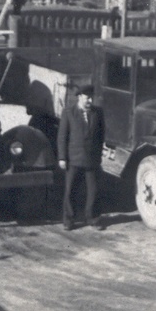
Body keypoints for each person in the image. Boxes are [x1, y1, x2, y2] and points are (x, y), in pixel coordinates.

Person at [58, 84, 105, 230]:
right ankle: (69, 220)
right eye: (86, 97)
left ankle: (93, 218)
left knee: (93, 190)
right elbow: (62, 136)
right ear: (79, 97)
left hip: (92, 159)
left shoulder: (98, 113)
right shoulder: (69, 113)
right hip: (74, 159)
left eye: (91, 97)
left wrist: (98, 155)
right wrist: (62, 158)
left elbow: (101, 135)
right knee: (70, 189)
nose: (89, 100)